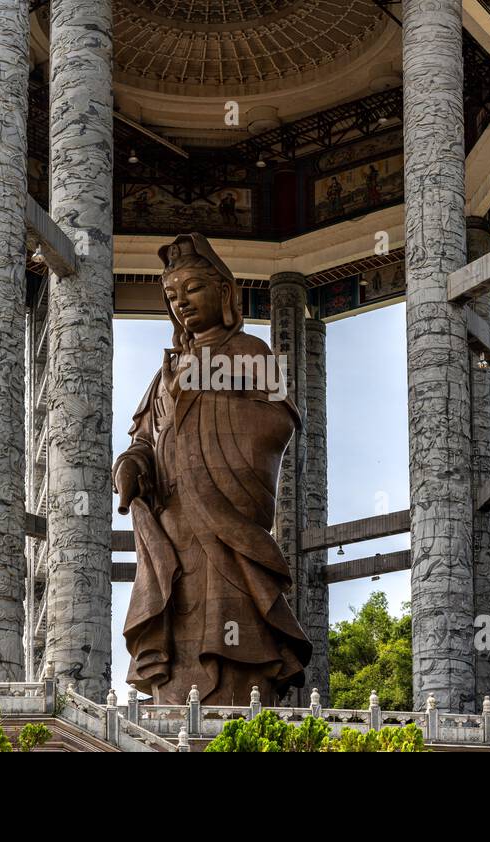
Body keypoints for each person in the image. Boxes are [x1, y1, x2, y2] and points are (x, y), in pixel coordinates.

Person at [116, 233, 311, 705]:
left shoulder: (249, 351)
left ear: (225, 294)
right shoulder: (165, 370)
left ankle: (238, 698)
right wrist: (133, 464)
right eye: (172, 296)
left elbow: (275, 421)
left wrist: (206, 416)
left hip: (224, 514)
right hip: (173, 522)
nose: (182, 304)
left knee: (233, 611)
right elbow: (144, 437)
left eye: (193, 290)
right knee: (177, 605)